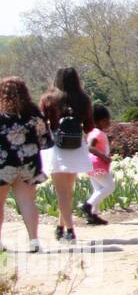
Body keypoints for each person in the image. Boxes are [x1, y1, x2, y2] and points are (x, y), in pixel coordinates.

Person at [39, 67, 94, 243]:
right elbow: (89, 128)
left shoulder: (49, 98)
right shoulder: (83, 99)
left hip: (56, 147)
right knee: (68, 191)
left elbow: (41, 125)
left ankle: (70, 231)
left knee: (62, 192)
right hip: (76, 146)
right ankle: (60, 226)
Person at [0, 77, 50, 253]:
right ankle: (34, 241)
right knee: (27, 202)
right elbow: (44, 139)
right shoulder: (33, 112)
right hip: (28, 163)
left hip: (2, 163)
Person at [81, 104, 113, 226]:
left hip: (90, 165)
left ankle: (93, 214)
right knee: (109, 187)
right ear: (100, 121)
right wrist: (103, 156)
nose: (109, 123)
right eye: (107, 120)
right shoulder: (97, 133)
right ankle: (88, 205)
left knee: (98, 189)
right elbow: (90, 147)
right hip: (97, 164)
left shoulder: (91, 132)